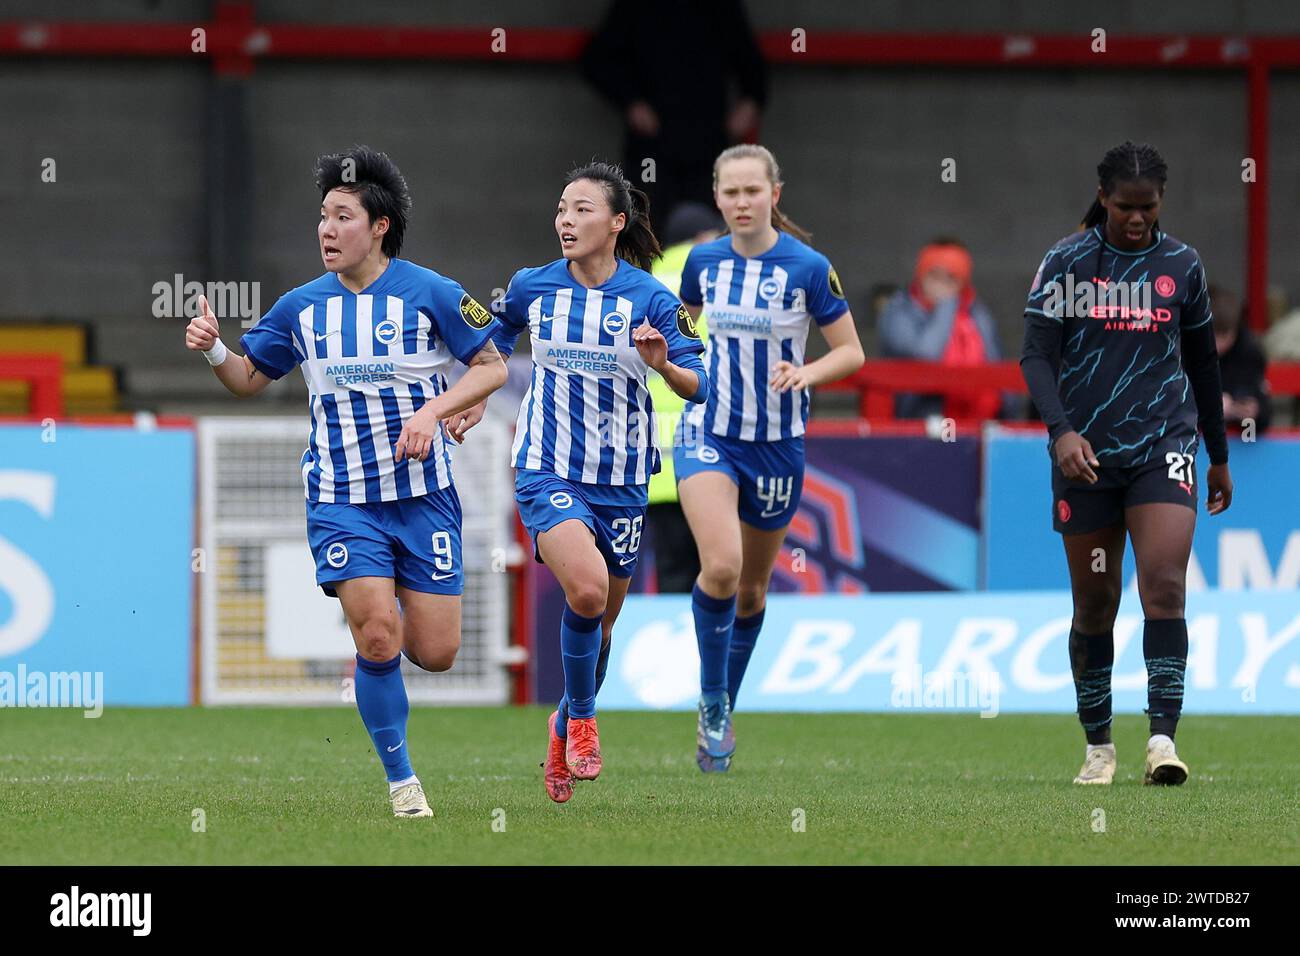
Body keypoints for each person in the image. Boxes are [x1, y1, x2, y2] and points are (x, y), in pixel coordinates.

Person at [183, 146, 508, 818]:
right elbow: (247, 378)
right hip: (340, 499)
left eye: (342, 216)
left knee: (437, 652)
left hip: (423, 499)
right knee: (379, 634)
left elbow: (492, 366)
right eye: (322, 217)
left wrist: (433, 409)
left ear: (380, 225)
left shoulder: (434, 292)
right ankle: (402, 781)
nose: (326, 230)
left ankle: (375, 672)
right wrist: (216, 346)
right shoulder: (302, 307)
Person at [480, 162, 708, 803]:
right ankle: (583, 720)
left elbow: (701, 380)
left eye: (581, 209)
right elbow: (484, 345)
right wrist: (467, 400)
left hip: (624, 479)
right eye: (560, 209)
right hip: (547, 467)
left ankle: (563, 721)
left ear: (616, 222)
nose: (565, 220)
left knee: (603, 625)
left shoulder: (655, 299)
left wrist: (664, 365)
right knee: (584, 594)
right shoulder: (531, 286)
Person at [1020, 141, 1233, 787]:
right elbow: (1035, 356)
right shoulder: (1066, 262)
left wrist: (1218, 454)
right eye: (1124, 208)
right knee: (1095, 603)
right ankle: (1099, 748)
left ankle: (1162, 742)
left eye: (1149, 207)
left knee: (1164, 585)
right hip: (1084, 455)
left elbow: (1203, 363)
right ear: (1103, 198)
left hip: (1163, 445)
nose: (1137, 219)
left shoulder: (1182, 265)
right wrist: (1061, 433)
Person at [674, 144, 865, 772]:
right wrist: (661, 361)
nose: (740, 202)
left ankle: (724, 698)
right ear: (718, 196)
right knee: (723, 568)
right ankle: (709, 700)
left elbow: (852, 353)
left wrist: (805, 371)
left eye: (752, 191)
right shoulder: (702, 263)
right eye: (729, 192)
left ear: (774, 195)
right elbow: (683, 334)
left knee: (752, 590)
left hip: (779, 444)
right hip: (709, 432)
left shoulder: (808, 267)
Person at [580, 0, 767, 231]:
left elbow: (752, 64)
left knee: (708, 230)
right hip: (653, 149)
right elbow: (596, 58)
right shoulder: (637, 6)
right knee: (645, 228)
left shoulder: (720, 7)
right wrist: (631, 102)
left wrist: (751, 101)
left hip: (706, 146)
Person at [647, 203, 723, 592]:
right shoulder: (716, 280)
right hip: (712, 455)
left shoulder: (646, 281)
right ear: (702, 238)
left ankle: (673, 647)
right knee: (719, 569)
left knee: (673, 572)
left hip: (656, 462)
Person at [877, 238, 1002, 420]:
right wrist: (947, 305)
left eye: (951, 277)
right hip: (918, 421)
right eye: (934, 275)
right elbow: (927, 356)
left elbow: (995, 366)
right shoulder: (899, 311)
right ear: (921, 274)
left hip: (978, 420)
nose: (941, 284)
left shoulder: (977, 313)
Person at [1210, 286, 1272, 433]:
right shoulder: (1180, 350)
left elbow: (1261, 419)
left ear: (1235, 330)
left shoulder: (1249, 354)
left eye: (1224, 336)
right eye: (1211, 336)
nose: (1217, 345)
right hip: (1187, 443)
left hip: (1238, 442)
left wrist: (1253, 414)